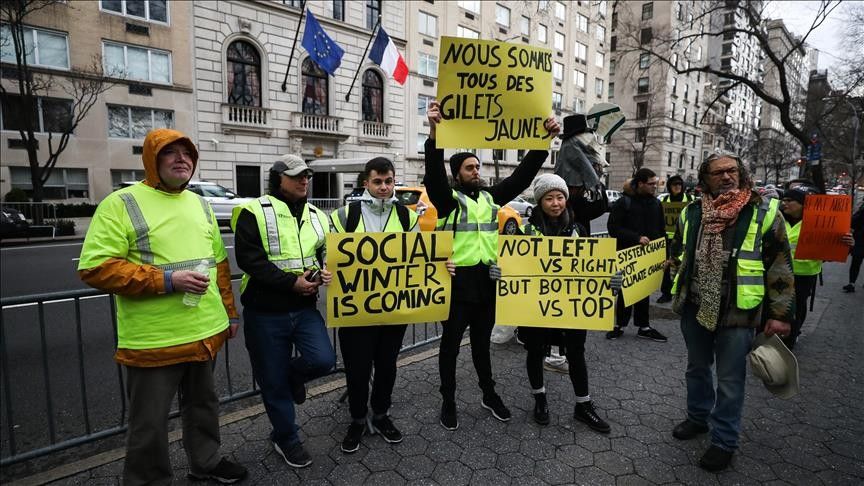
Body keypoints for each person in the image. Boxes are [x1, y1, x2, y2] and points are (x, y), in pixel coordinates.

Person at [78, 129, 247, 485]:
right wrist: (168, 280)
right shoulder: (121, 203)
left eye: (187, 153)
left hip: (204, 333)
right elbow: (96, 267)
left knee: (203, 407)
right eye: (170, 153)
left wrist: (230, 314)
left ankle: (207, 461)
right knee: (149, 423)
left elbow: (217, 264)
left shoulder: (200, 204)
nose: (181, 159)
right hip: (154, 340)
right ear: (152, 161)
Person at [425, 99, 560, 430]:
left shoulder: (489, 198)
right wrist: (434, 131)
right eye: (470, 168)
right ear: (458, 173)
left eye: (477, 167)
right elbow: (432, 175)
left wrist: (543, 142)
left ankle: (489, 394)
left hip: (486, 283)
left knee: (481, 346)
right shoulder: (447, 201)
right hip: (457, 285)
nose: (477, 171)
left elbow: (521, 176)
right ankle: (449, 400)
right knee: (450, 348)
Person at [669, 151, 794, 472]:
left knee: (729, 379)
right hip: (695, 306)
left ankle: (724, 440)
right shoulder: (692, 212)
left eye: (732, 171)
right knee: (696, 368)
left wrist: (779, 314)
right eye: (718, 173)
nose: (726, 177)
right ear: (705, 180)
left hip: (739, 311)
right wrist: (672, 265)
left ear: (742, 174)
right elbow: (679, 250)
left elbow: (780, 265)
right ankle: (698, 418)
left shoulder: (764, 213)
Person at [231, 155, 335, 468]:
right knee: (272, 383)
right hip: (265, 311)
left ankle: (291, 375)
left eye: (307, 176)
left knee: (323, 360)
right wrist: (292, 283)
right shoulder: (254, 210)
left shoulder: (318, 215)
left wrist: (324, 270)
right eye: (297, 176)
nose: (304, 181)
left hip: (303, 308)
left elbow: (323, 252)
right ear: (278, 179)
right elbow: (250, 260)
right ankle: (286, 437)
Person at [329, 157, 419, 453]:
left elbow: (418, 257)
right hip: (357, 310)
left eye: (389, 181)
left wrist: (442, 263)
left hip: (393, 308)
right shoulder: (344, 216)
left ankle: (381, 415)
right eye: (378, 181)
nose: (384, 187)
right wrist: (325, 268)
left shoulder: (408, 218)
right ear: (365, 183)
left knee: (387, 366)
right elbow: (327, 253)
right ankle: (356, 419)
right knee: (356, 369)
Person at [515, 174, 611, 433]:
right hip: (536, 303)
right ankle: (540, 399)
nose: (556, 203)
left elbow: (592, 265)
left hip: (572, 304)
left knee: (576, 352)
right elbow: (514, 263)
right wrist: (501, 272)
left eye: (560, 197)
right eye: (549, 198)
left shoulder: (578, 228)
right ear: (539, 201)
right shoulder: (527, 229)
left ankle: (584, 404)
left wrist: (609, 278)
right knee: (535, 351)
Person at [606, 168, 668, 342]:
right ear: (640, 183)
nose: (654, 187)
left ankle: (644, 326)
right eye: (651, 184)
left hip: (649, 257)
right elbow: (613, 228)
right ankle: (620, 325)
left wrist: (664, 256)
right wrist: (636, 238)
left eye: (655, 184)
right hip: (628, 255)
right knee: (626, 290)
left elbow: (661, 231)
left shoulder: (656, 204)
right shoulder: (623, 203)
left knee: (644, 290)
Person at [658, 175, 694, 303]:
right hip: (668, 240)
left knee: (685, 265)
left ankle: (683, 292)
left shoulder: (691, 199)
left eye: (679, 184)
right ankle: (666, 292)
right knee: (667, 267)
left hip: (685, 239)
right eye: (674, 184)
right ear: (669, 187)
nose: (677, 187)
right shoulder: (664, 200)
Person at [844, 203, 864, 292]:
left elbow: (854, 220)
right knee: (856, 261)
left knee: (856, 262)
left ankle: (852, 283)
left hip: (860, 239)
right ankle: (851, 283)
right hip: (860, 240)